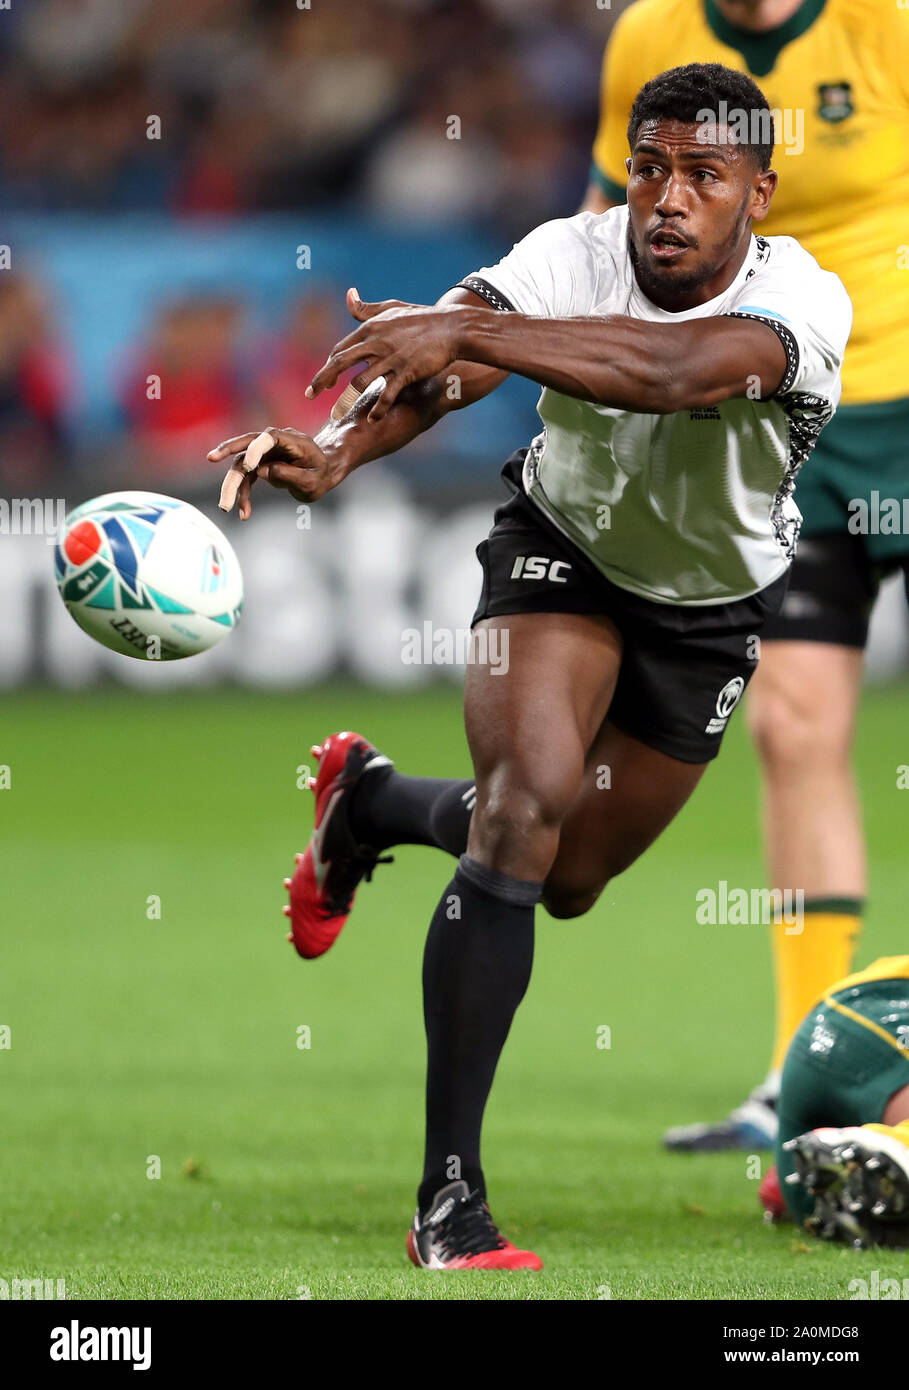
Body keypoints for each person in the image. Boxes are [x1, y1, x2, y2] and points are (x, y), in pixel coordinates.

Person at [211, 63, 851, 1270]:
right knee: (518, 814)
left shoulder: (804, 303)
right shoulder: (573, 247)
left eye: (703, 175)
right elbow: (456, 369)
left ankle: (374, 804)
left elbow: (670, 374)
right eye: (651, 165)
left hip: (709, 609)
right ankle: (448, 1201)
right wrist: (345, 449)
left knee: (566, 877)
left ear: (758, 191)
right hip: (561, 550)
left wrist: (465, 324)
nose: (667, 197)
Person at [579, 0, 909, 1153]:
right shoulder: (650, 36)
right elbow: (603, 224)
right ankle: (800, 1068)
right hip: (784, 414)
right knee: (792, 728)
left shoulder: (889, 23)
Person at [758, 956, 909, 1248]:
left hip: (844, 1023)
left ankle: (856, 1164)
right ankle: (886, 1151)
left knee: (807, 1188)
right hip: (879, 1014)